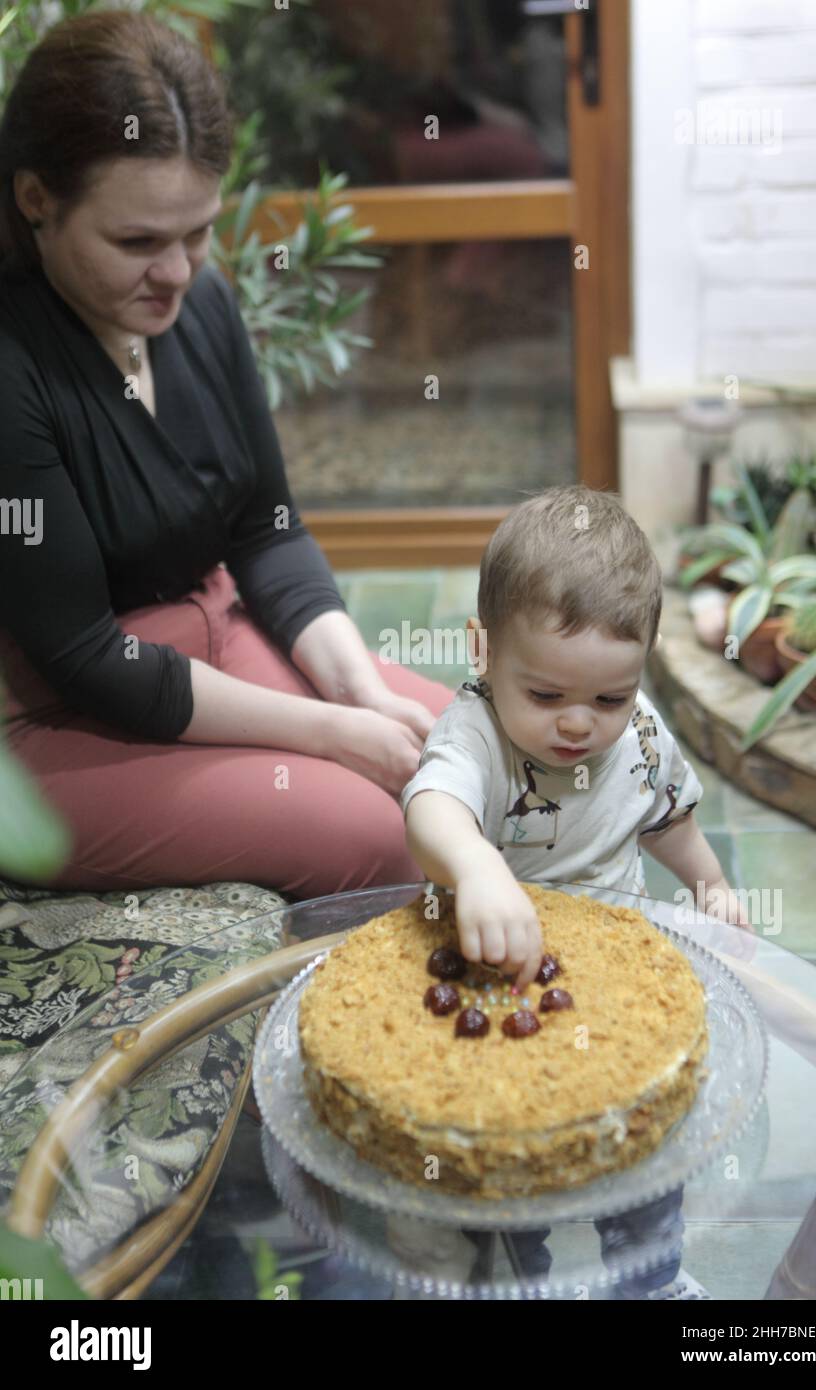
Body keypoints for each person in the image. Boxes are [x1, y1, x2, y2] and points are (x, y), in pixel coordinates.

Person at [0, 10, 452, 899]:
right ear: (36, 200)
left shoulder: (197, 302)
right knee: (374, 831)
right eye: (136, 242)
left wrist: (357, 690)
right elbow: (89, 660)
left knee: (462, 752)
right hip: (54, 717)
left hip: (212, 641)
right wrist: (326, 733)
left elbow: (266, 530)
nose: (177, 272)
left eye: (196, 233)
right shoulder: (13, 367)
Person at [401, 483, 753, 1299]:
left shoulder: (638, 735)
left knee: (642, 1150)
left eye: (608, 696)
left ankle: (649, 1276)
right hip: (499, 982)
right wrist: (479, 869)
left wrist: (709, 883)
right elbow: (431, 811)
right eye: (548, 694)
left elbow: (666, 819)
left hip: (617, 981)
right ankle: (506, 1266)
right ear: (482, 652)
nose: (577, 724)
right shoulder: (476, 731)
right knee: (515, 1153)